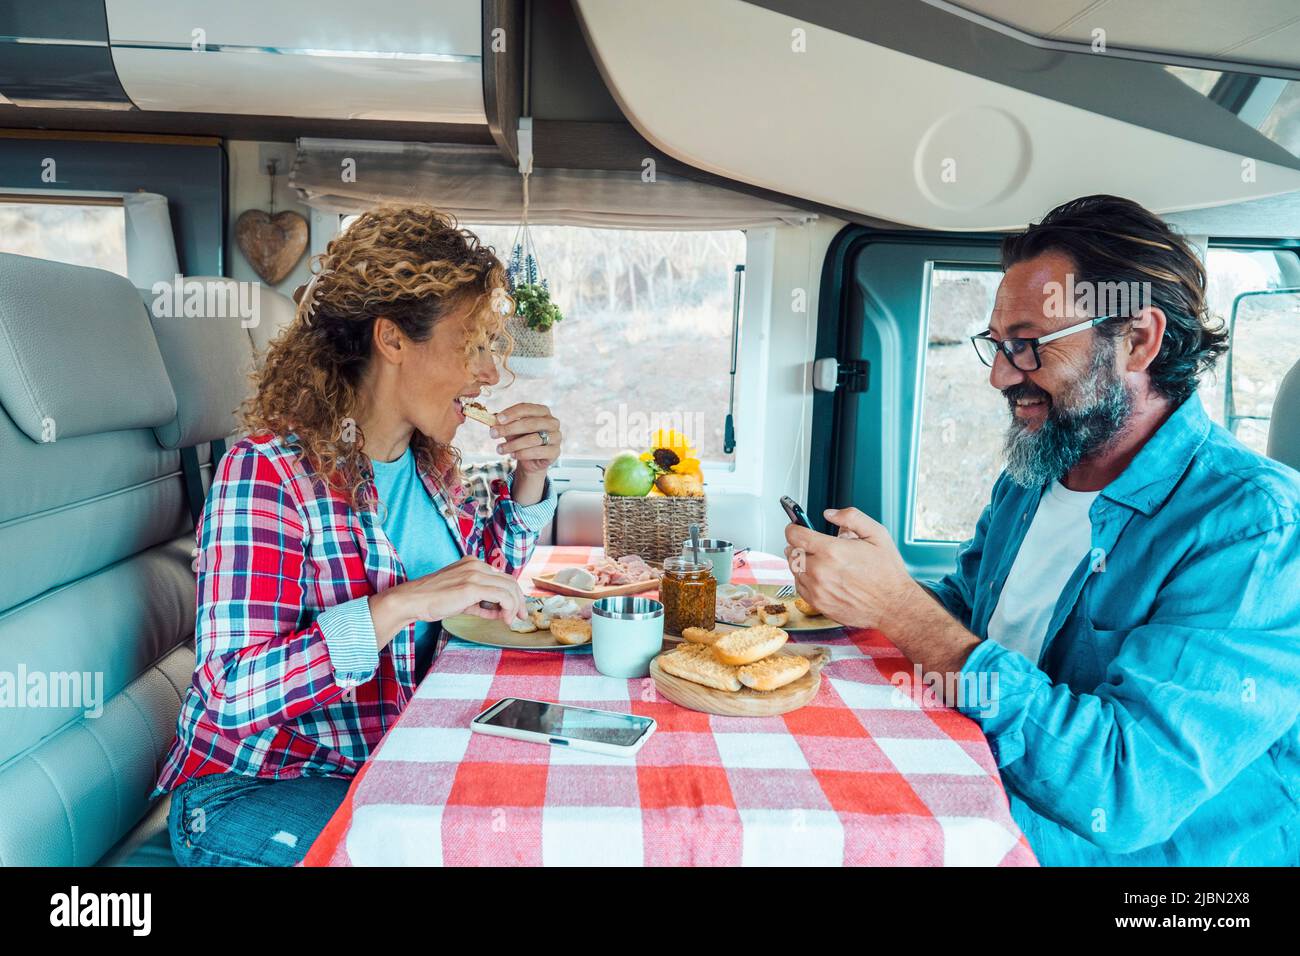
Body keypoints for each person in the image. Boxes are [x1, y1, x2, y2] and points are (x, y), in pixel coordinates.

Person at [786, 195, 1300, 865]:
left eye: (1027, 346)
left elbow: (1122, 791)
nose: (1002, 375)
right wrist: (869, 589)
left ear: (1138, 340)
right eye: (996, 347)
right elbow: (972, 619)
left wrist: (902, 610)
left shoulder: (1253, 529)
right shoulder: (1036, 474)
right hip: (991, 793)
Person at [154, 205, 562, 865]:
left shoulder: (431, 465)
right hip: (258, 790)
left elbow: (481, 589)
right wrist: (399, 605)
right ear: (393, 339)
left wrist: (530, 481)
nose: (490, 373)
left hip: (387, 759)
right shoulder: (267, 474)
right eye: (473, 343)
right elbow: (228, 693)